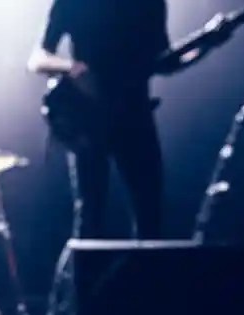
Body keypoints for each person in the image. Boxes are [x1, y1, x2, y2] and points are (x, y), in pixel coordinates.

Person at [28, 0, 179, 240]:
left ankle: (141, 266)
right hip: (89, 120)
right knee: (91, 218)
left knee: (150, 217)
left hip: (135, 116)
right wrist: (72, 68)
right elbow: (38, 58)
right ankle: (87, 266)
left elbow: (167, 62)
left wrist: (208, 43)